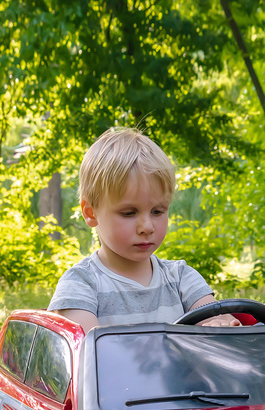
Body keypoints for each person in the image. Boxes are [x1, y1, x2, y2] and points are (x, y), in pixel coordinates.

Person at [48, 127, 239, 332]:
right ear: (91, 213)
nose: (147, 227)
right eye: (129, 213)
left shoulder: (181, 277)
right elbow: (92, 350)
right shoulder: (80, 284)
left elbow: (214, 319)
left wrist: (221, 325)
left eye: (157, 211)